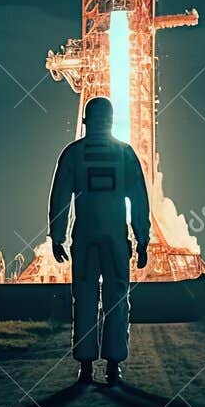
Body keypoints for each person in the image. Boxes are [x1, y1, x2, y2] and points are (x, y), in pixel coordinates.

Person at [47, 96, 151, 385]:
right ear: (111, 120)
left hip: (85, 236)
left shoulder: (72, 154)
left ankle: (85, 366)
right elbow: (139, 199)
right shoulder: (125, 153)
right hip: (116, 238)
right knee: (117, 299)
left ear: (85, 120)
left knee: (84, 298)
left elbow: (60, 198)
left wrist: (57, 237)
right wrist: (142, 239)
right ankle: (114, 365)